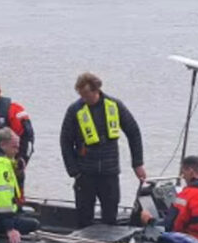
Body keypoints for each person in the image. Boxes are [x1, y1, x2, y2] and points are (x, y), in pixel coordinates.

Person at [60, 72, 147, 228]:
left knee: (110, 215)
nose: (84, 98)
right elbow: (65, 142)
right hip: (85, 173)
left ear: (96, 90)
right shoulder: (74, 110)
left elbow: (133, 132)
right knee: (84, 216)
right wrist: (73, 171)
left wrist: (137, 163)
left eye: (86, 94)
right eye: (81, 95)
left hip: (109, 172)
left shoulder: (115, 106)